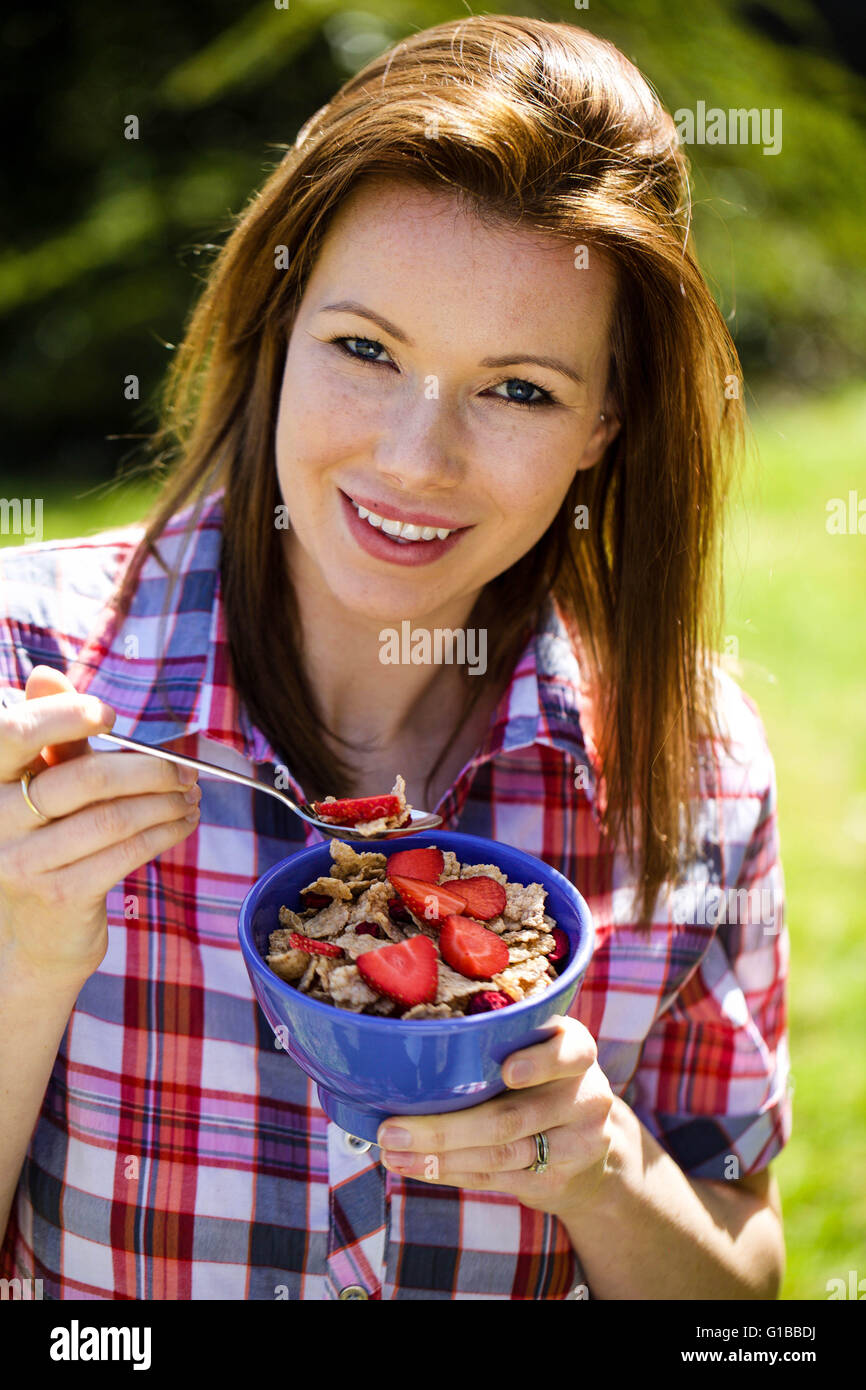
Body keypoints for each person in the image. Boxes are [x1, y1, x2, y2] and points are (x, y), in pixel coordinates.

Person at [0, 15, 789, 1300]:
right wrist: (26, 959)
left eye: (518, 389)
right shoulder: (24, 676)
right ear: (277, 323)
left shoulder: (695, 766)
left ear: (606, 421)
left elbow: (744, 1298)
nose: (414, 460)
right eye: (365, 350)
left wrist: (597, 1171)